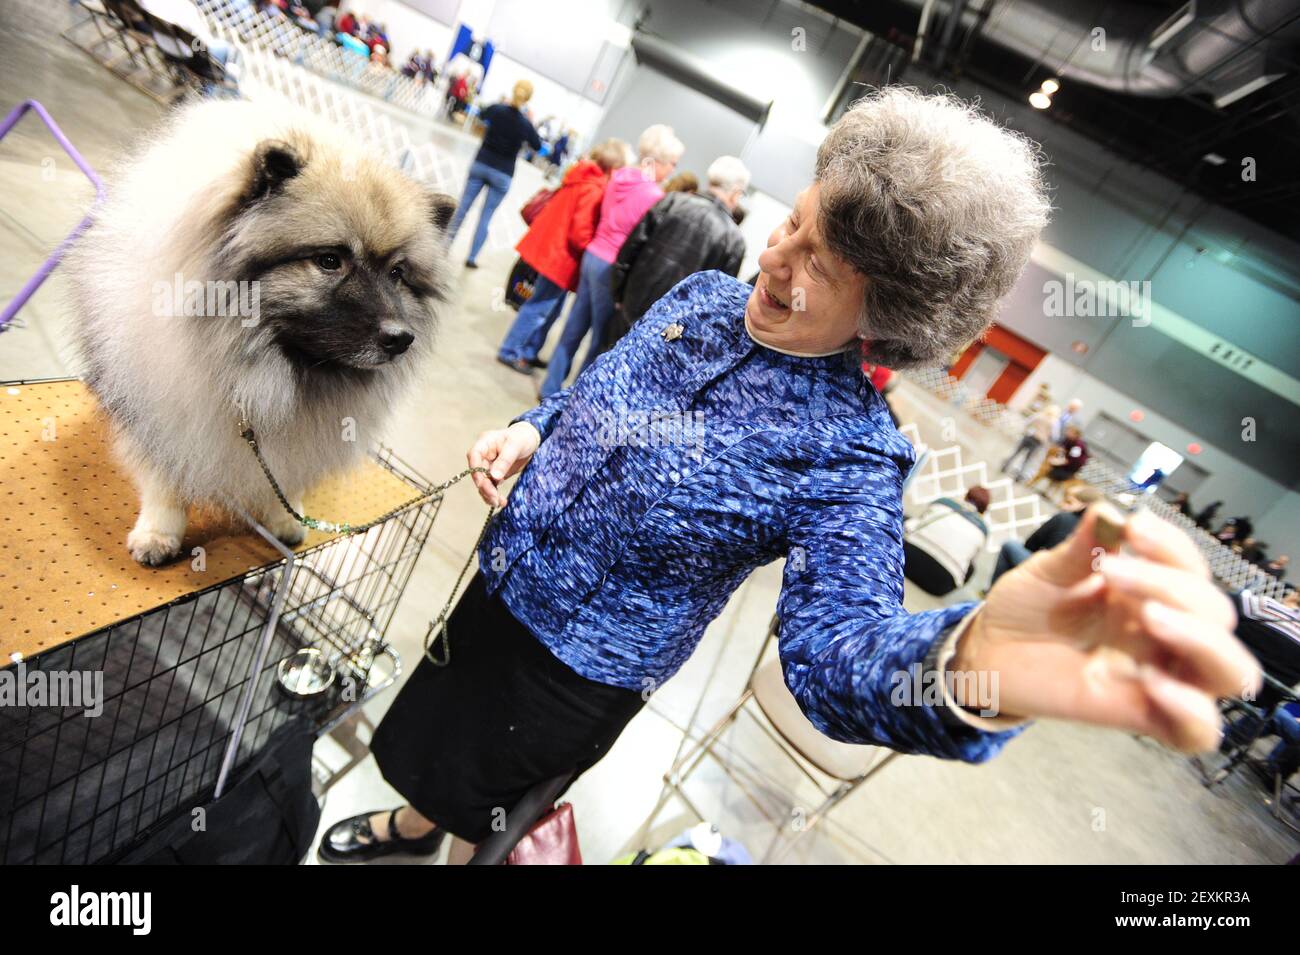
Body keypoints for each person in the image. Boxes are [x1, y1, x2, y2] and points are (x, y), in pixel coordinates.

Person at [317, 87, 1256, 864]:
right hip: (501, 576)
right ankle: (411, 822)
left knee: (483, 794)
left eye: (819, 263)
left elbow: (832, 656)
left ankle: (427, 834)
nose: (774, 257)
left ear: (883, 315)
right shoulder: (702, 298)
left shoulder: (850, 456)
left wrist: (962, 670)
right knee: (422, 733)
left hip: (575, 673)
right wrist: (531, 428)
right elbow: (594, 396)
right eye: (793, 224)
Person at [538, 124, 685, 398]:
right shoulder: (654, 197)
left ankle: (550, 387)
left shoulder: (620, 177)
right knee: (599, 339)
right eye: (672, 164)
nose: (673, 171)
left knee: (574, 325)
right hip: (611, 267)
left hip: (592, 254)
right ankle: (576, 396)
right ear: (659, 162)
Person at [496, 140, 630, 374]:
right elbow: (580, 234)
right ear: (614, 166)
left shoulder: (581, 176)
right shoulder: (594, 188)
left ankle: (528, 351)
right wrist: (597, 247)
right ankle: (510, 350)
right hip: (559, 257)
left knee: (548, 307)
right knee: (539, 307)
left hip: (550, 249)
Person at [599, 155, 750, 353]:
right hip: (671, 336)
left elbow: (630, 250)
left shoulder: (672, 202)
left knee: (599, 372)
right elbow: (718, 303)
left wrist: (618, 295)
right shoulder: (733, 240)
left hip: (629, 307)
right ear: (736, 193)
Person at [446, 80, 543, 269]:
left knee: (462, 208)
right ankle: (472, 257)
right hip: (503, 173)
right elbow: (537, 146)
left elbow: (481, 115)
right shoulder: (526, 124)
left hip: (481, 163)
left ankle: (444, 248)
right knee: (486, 216)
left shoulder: (497, 109)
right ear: (528, 99)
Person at [991, 484, 1102, 584]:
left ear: (1084, 506)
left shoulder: (1063, 518)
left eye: (1069, 502)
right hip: (1067, 585)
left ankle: (992, 594)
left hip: (1045, 574)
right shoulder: (1096, 535)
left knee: (1010, 546)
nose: (1061, 505)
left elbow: (1030, 544)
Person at [902, 487, 991, 596]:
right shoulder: (983, 530)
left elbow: (914, 525)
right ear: (983, 510)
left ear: (966, 496)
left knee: (906, 519)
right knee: (971, 568)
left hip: (906, 560)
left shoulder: (944, 503)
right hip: (940, 585)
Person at [1001, 402, 1057, 482]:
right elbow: (1054, 436)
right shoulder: (1053, 423)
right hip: (1039, 441)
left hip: (1030, 436)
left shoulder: (1039, 416)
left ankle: (1005, 467)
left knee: (1016, 452)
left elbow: (1027, 422)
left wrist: (1028, 430)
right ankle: (1019, 476)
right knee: (1028, 459)